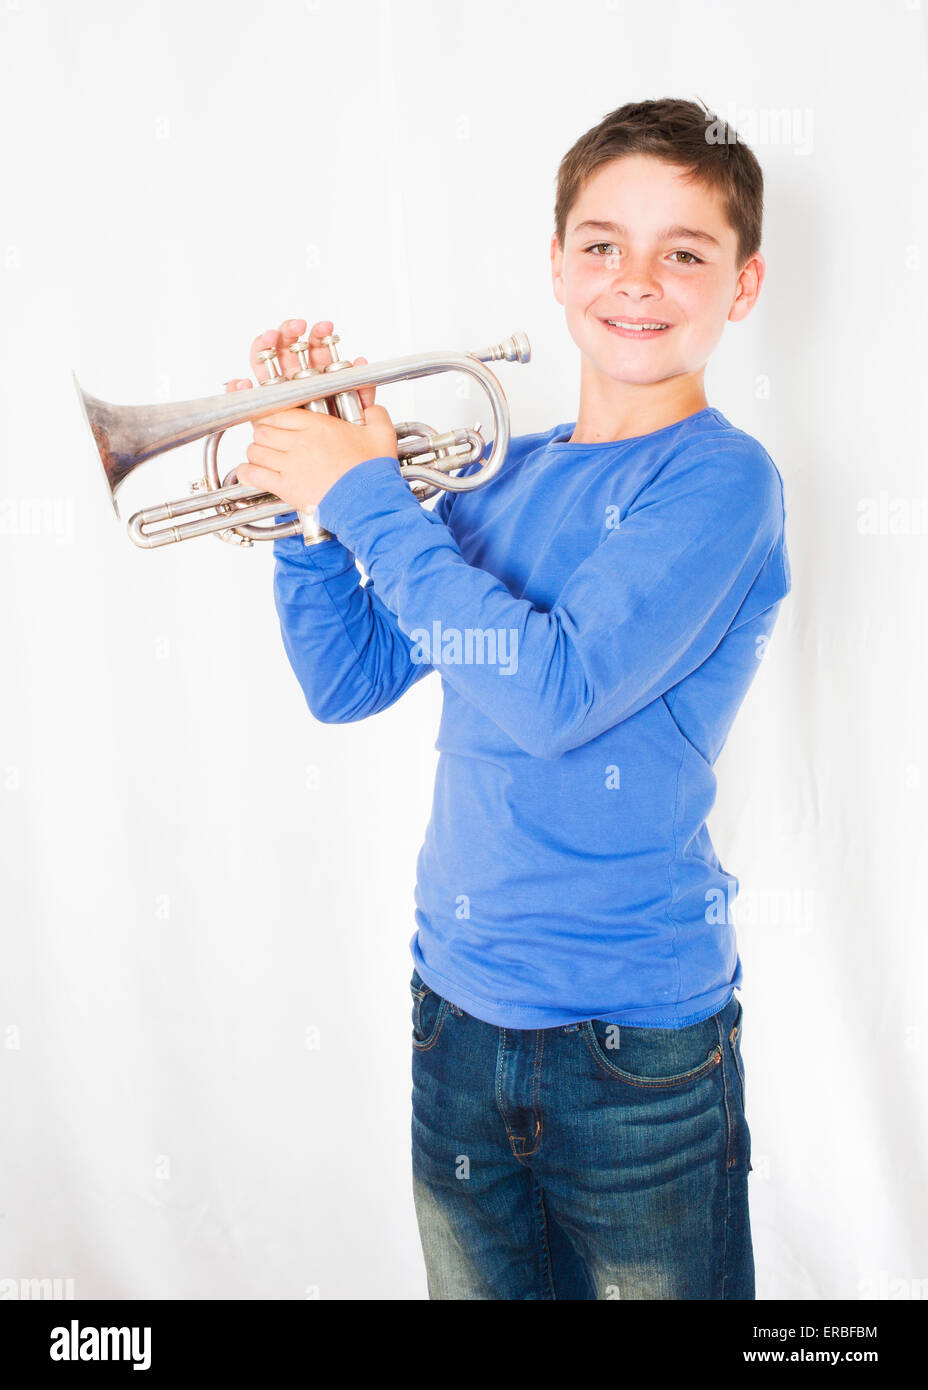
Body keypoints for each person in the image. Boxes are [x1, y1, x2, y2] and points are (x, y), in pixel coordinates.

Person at [228, 97, 791, 1300]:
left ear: (741, 286)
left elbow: (553, 693)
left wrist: (367, 497)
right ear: (555, 263)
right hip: (454, 1015)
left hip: (633, 1050)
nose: (634, 279)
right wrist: (307, 510)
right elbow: (348, 679)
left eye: (684, 253)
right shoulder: (500, 474)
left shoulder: (724, 481)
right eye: (602, 243)